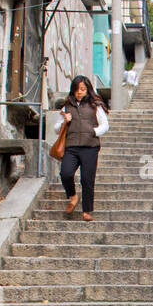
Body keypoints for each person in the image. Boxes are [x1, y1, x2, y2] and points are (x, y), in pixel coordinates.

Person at [55, 75, 106, 218]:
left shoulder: (95, 105)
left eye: (82, 89)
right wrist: (64, 122)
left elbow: (105, 125)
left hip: (90, 147)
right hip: (71, 146)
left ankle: (86, 211)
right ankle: (72, 197)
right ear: (73, 90)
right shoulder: (66, 106)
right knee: (65, 173)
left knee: (87, 179)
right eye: (77, 89)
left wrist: (94, 132)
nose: (79, 92)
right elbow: (55, 128)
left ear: (87, 90)